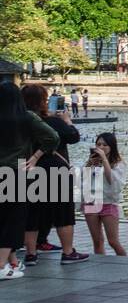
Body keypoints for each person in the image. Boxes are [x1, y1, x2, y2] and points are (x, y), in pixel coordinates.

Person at [20, 83, 89, 265]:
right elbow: (73, 137)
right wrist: (67, 120)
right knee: (63, 212)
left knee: (32, 213)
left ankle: (31, 253)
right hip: (55, 170)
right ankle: (68, 252)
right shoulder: (52, 122)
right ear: (43, 101)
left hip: (28, 171)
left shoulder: (19, 123)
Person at [0, 82, 61, 279]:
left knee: (2, 218)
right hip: (17, 172)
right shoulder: (27, 117)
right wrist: (35, 157)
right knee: (13, 220)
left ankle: (13, 263)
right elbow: (52, 138)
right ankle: (1, 266)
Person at [82, 132, 128, 256]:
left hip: (109, 203)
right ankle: (100, 265)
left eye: (104, 145)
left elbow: (112, 181)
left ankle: (125, 262)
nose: (101, 147)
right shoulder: (92, 161)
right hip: (92, 202)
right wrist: (89, 165)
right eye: (98, 144)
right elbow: (84, 182)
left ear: (112, 146)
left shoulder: (119, 163)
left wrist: (104, 160)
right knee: (97, 241)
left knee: (113, 241)